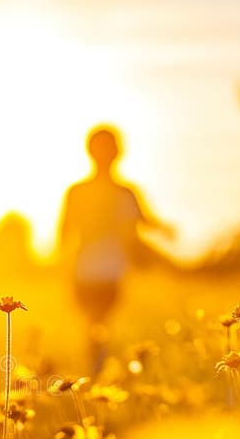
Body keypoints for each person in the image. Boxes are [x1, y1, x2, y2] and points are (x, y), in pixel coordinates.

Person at [58, 126, 174, 373]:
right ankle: (96, 371)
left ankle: (94, 370)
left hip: (100, 270)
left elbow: (63, 234)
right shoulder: (100, 192)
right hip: (95, 270)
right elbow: (64, 233)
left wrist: (164, 230)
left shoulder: (90, 191)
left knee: (96, 323)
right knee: (98, 323)